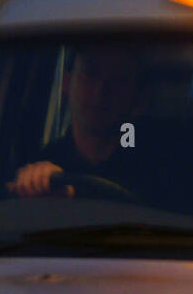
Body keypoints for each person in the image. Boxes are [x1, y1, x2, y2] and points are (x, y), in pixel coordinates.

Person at [8, 46, 147, 199]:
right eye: (89, 74)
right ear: (67, 84)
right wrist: (35, 185)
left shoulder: (154, 167)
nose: (100, 90)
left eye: (119, 79)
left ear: (138, 99)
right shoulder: (42, 167)